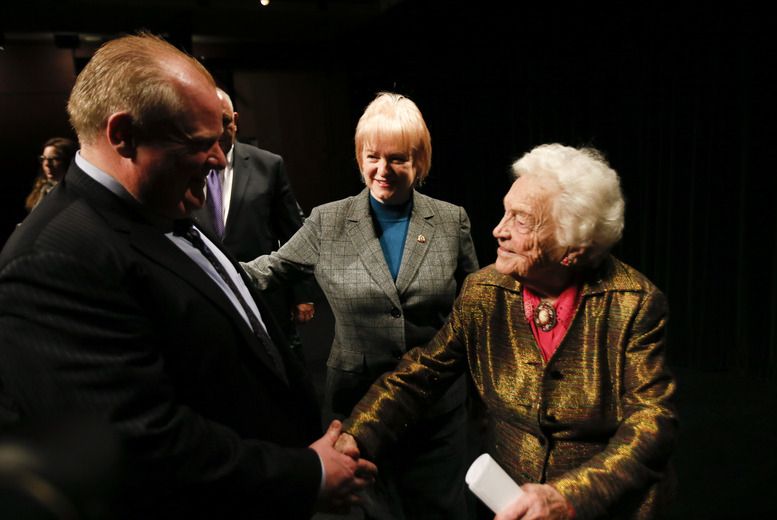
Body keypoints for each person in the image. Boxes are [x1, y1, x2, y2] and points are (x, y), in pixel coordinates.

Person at [0, 33, 374, 519]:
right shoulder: (53, 260)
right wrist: (306, 473)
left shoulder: (162, 206)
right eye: (200, 144)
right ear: (124, 135)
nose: (219, 160)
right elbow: (138, 444)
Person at [337, 144, 678, 520]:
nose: (498, 230)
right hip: (506, 502)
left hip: (606, 509)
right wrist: (357, 435)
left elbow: (652, 424)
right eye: (505, 213)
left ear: (574, 244)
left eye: (521, 220)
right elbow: (420, 375)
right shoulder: (484, 293)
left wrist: (568, 498)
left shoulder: (633, 304)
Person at [242, 92, 480, 519]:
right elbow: (268, 270)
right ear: (360, 157)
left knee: (439, 509)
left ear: (419, 161)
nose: (382, 170)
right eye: (373, 157)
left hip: (435, 406)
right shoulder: (327, 220)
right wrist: (201, 269)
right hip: (355, 405)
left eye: (397, 159)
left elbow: (475, 306)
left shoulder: (450, 220)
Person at [191, 88, 317, 356]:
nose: (218, 129)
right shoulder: (185, 168)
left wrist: (302, 294)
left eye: (224, 120)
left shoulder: (268, 165)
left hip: (265, 296)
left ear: (236, 119)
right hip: (207, 297)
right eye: (209, 121)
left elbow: (294, 233)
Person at [24, 137, 77, 212]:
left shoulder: (74, 193)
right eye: (43, 158)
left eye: (55, 159)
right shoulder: (43, 188)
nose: (47, 164)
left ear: (68, 161)